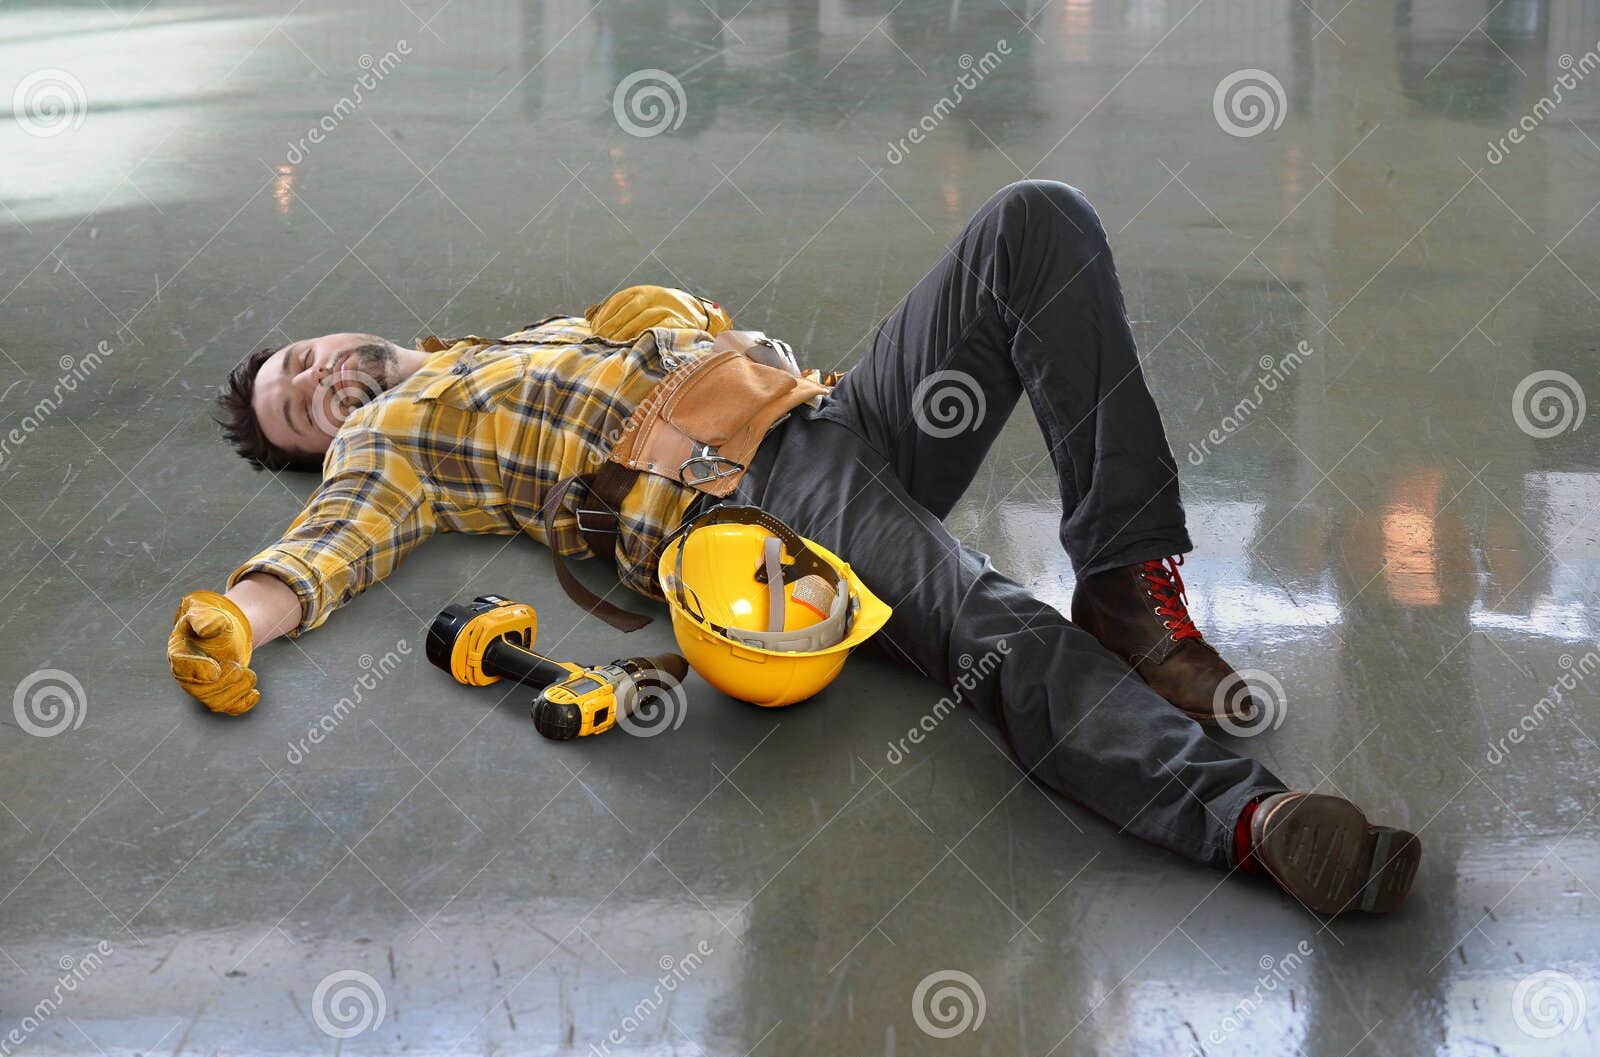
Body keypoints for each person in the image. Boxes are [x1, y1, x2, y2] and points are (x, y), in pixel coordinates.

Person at [169, 180, 1421, 916]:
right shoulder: (390, 437)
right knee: (979, 619)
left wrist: (697, 337)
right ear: (317, 445)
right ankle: (1250, 823)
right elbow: (330, 541)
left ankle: (1124, 583)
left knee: (1032, 227)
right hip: (756, 506)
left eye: (308, 358)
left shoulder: (483, 349)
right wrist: (246, 611)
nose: (324, 380)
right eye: (301, 406)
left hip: (832, 420)